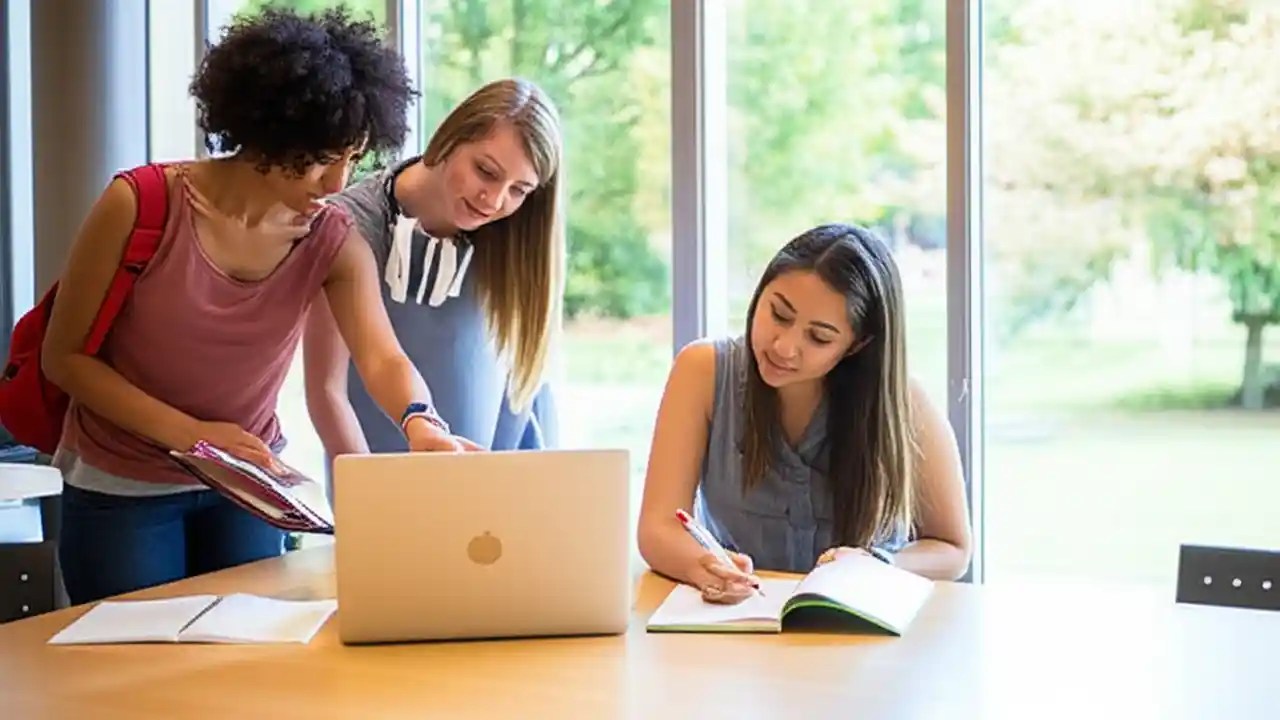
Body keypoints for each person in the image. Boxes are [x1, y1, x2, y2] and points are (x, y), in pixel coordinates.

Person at [41, 7, 473, 605]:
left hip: (249, 488)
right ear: (267, 131)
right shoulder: (138, 204)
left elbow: (382, 357)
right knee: (133, 687)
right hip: (123, 487)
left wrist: (420, 421)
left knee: (250, 677)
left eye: (352, 158)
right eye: (322, 157)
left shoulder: (334, 239)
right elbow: (64, 359)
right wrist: (195, 436)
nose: (334, 182)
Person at [637, 223, 972, 604]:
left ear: (855, 345)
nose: (785, 347)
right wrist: (703, 566)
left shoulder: (902, 402)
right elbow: (658, 527)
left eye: (819, 337)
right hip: (741, 623)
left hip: (861, 631)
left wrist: (877, 564)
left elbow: (952, 548)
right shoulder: (703, 370)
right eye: (779, 314)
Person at [303, 78, 564, 491]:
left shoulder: (513, 234)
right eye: (485, 171)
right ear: (447, 140)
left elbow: (522, 386)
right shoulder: (348, 225)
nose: (494, 201)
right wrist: (362, 493)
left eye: (519, 190)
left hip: (499, 487)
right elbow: (326, 390)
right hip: (382, 489)